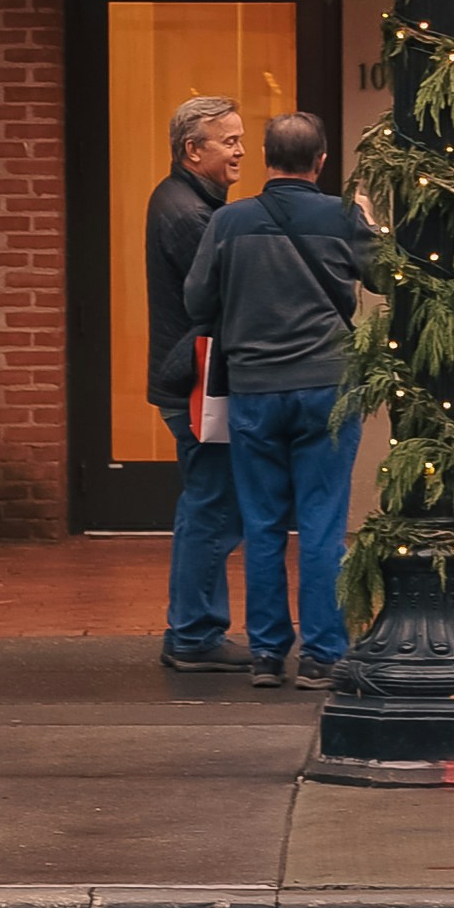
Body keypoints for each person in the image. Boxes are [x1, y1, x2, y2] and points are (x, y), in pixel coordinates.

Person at [184, 108, 379, 689]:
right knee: (322, 525)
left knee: (263, 523)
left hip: (253, 390)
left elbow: (198, 301)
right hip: (327, 387)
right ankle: (322, 655)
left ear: (267, 158)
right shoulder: (341, 217)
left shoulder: (230, 221)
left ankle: (268, 655)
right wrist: (370, 222)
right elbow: (390, 278)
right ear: (321, 161)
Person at [144, 93, 248, 674]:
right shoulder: (189, 215)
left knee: (211, 502)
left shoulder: (187, 202)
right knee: (214, 506)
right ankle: (193, 634)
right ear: (193, 149)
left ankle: (195, 630)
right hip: (197, 381)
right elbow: (227, 291)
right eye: (228, 141)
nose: (240, 151)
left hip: (193, 376)